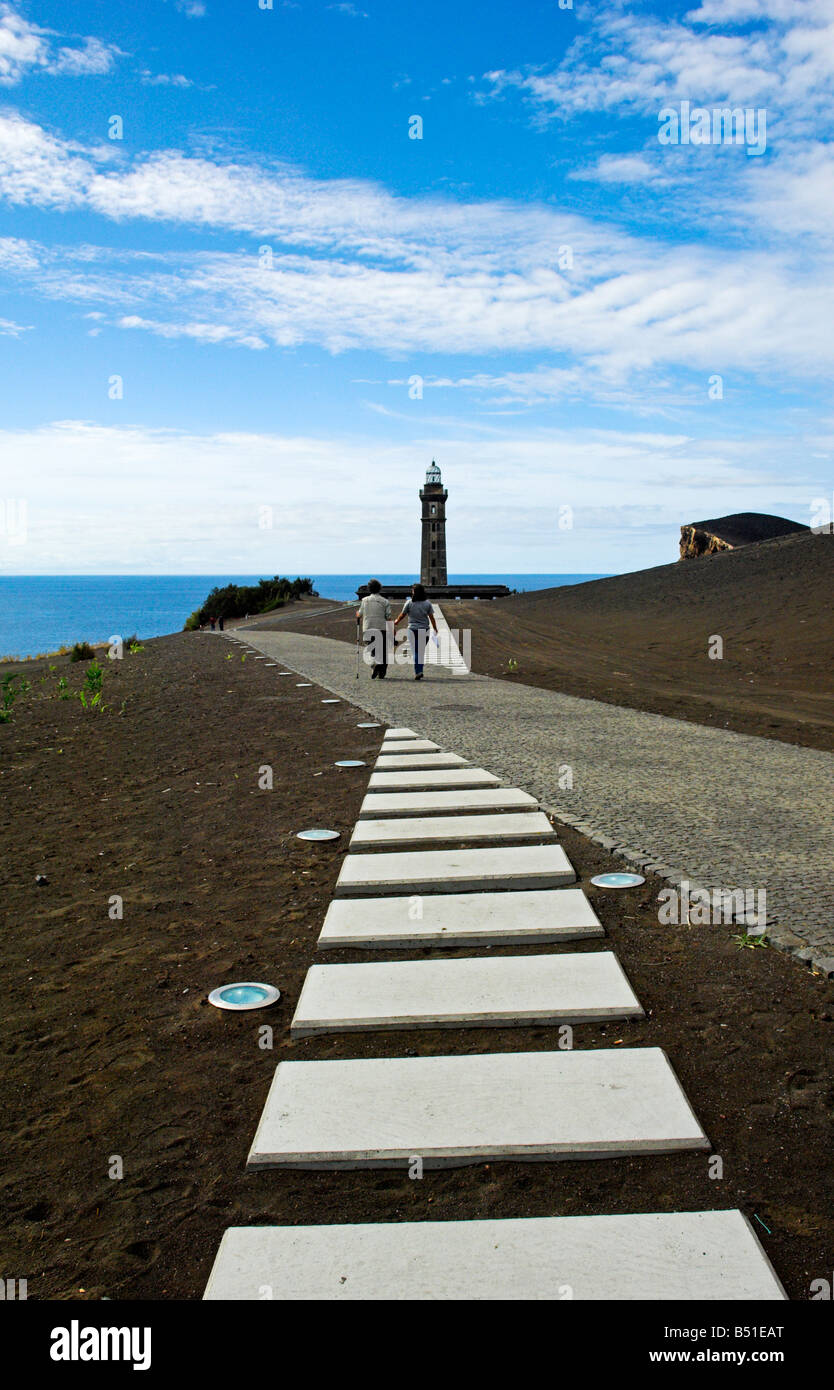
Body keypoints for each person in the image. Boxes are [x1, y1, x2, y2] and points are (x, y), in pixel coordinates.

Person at [393, 582, 438, 681]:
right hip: (424, 629)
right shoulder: (427, 603)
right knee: (420, 651)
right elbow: (432, 617)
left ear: (414, 592)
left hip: (412, 629)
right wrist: (435, 628)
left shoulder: (409, 603)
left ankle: (418, 671)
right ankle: (419, 670)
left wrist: (396, 622)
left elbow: (402, 615)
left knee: (416, 651)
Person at [356, 579, 392, 679]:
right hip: (381, 628)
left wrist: (357, 614)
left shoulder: (364, 600)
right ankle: (382, 672)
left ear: (369, 589)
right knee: (383, 651)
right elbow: (388, 617)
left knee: (372, 649)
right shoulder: (385, 601)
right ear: (379, 589)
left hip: (368, 627)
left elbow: (360, 614)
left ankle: (374, 665)